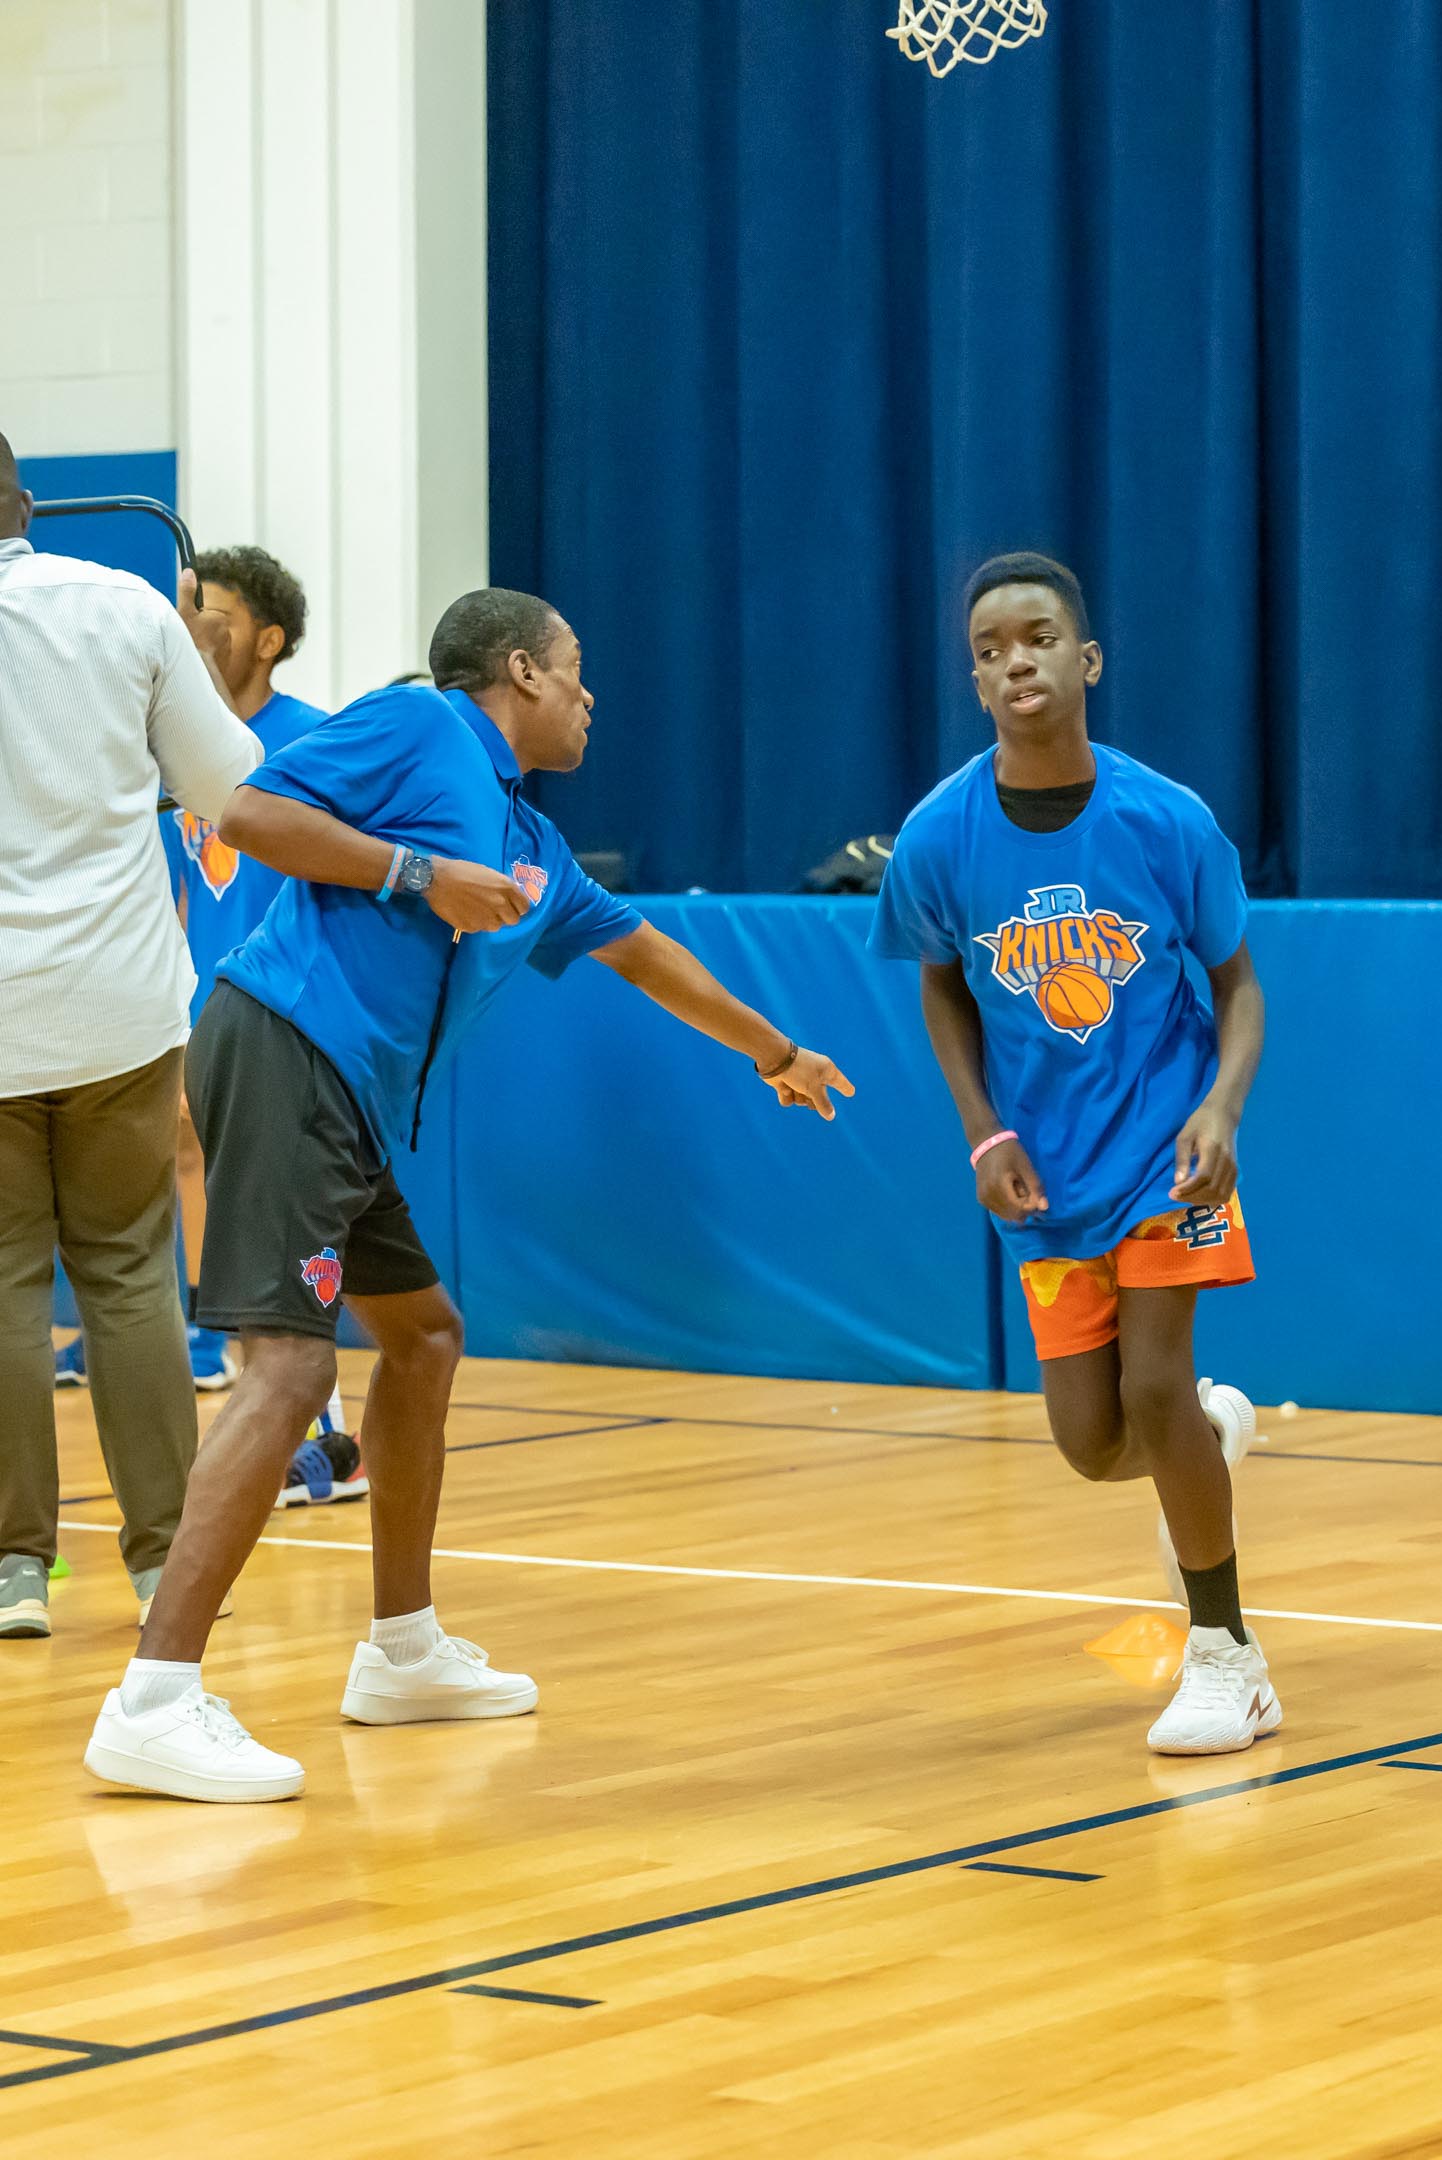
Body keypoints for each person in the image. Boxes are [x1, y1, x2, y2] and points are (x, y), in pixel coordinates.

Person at [83, 587, 854, 1802]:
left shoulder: (530, 847)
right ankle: (156, 1697)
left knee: (426, 1335)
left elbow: (645, 954)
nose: (592, 698)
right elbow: (246, 808)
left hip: (353, 1098)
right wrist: (413, 874)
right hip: (288, 1045)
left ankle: (400, 1650)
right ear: (518, 674)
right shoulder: (421, 725)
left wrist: (777, 1053)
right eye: (577, 670)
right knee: (288, 1372)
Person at [873, 551, 1272, 1757]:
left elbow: (1240, 984)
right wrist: (982, 1130)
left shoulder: (1165, 819)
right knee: (1094, 1443)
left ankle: (1228, 1660)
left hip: (1164, 1155)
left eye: (1037, 637)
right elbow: (940, 989)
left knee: (1150, 1392)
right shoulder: (941, 838)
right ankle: (1209, 1428)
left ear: (1085, 660)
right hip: (1044, 1175)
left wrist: (1220, 1110)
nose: (1015, 661)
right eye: (990, 649)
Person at [0, 430, 261, 1643]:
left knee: (4, 1287)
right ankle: (165, 1561)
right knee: (127, 1272)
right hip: (115, 1004)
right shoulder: (121, 604)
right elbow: (230, 784)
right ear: (29, 504)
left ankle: (13, 1571)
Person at [149, 548, 362, 1507]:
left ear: (268, 639)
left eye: (216, 613)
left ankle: (324, 1435)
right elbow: (194, 892)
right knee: (195, 1162)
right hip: (208, 1006)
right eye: (187, 610)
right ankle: (234, 1362)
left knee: (280, 1212)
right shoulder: (185, 751)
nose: (194, 629)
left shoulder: (314, 743)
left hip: (296, 1015)